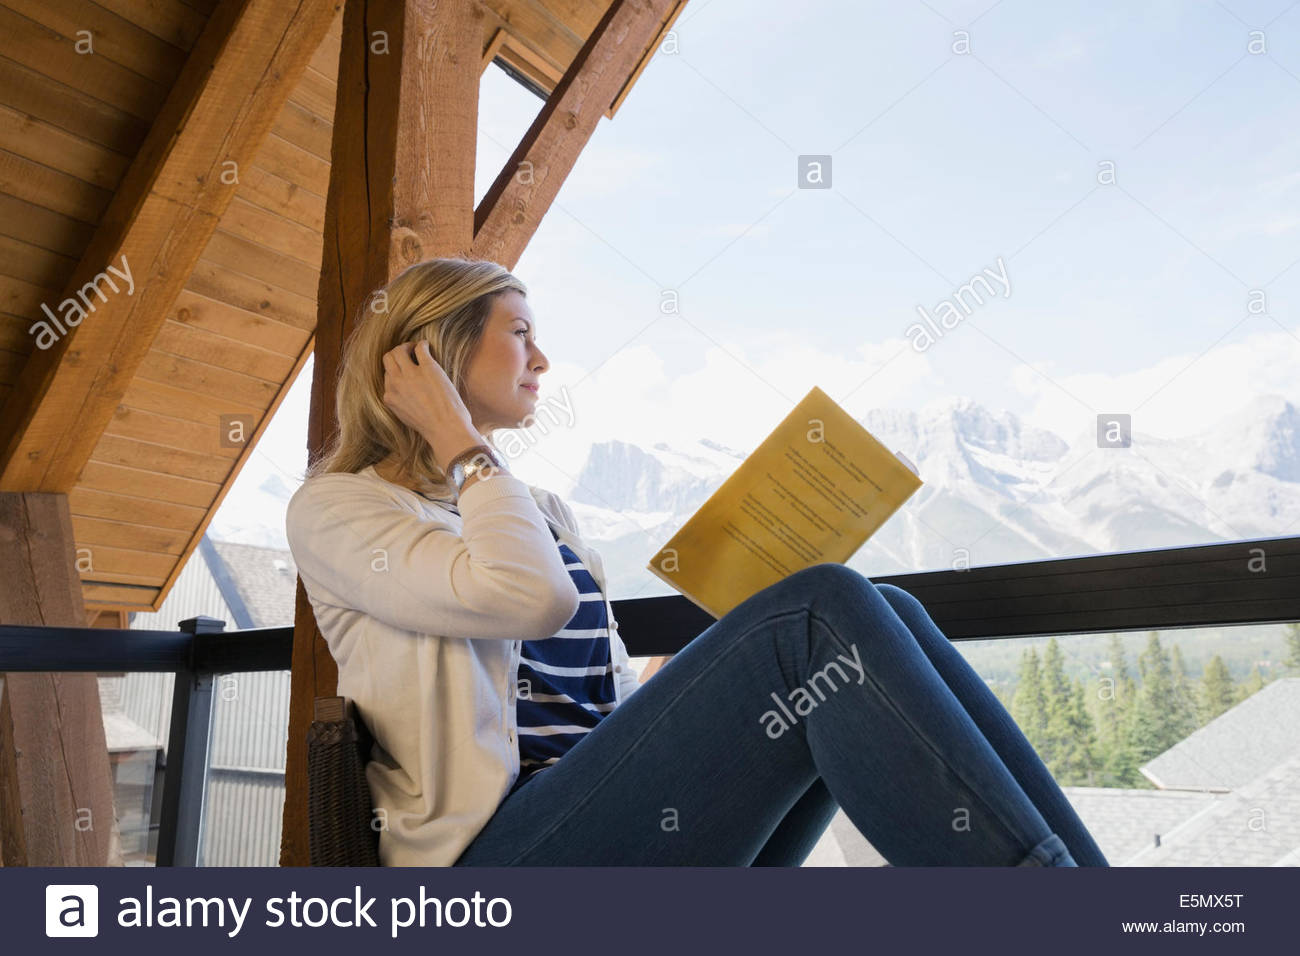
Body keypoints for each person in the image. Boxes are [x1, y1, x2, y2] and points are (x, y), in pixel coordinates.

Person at [285, 257, 1109, 868]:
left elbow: (588, 715)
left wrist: (689, 685)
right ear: (432, 354)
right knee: (819, 612)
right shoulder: (342, 510)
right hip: (488, 860)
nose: (542, 360)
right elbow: (526, 598)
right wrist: (461, 443)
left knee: (887, 609)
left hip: (592, 818)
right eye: (521, 333)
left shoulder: (540, 514)